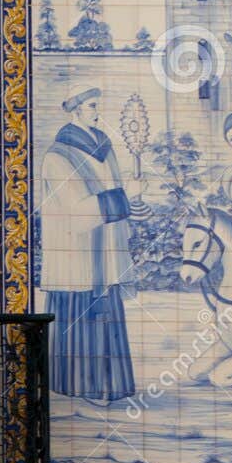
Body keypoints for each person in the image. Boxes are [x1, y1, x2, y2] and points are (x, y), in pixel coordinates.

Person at [38, 87, 146, 405]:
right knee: (79, 322)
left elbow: (115, 196)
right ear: (76, 111)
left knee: (107, 318)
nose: (97, 112)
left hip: (105, 255)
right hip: (77, 258)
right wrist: (125, 197)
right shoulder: (57, 156)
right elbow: (76, 212)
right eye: (92, 106)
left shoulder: (104, 148)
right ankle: (82, 387)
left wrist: (133, 201)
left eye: (97, 106)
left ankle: (109, 386)